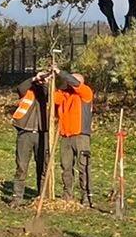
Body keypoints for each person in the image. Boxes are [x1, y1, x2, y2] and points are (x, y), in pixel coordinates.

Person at [9, 69, 54, 206]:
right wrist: (34, 79)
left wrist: (47, 83)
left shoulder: (51, 92)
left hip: (43, 133)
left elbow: (49, 96)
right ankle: (17, 197)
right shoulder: (28, 89)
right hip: (25, 132)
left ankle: (42, 197)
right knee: (21, 166)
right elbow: (20, 88)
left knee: (43, 166)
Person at [55, 73, 95, 207]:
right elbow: (53, 97)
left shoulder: (85, 93)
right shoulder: (64, 94)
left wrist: (60, 73)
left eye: (73, 81)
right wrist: (47, 81)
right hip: (65, 136)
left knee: (83, 166)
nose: (70, 83)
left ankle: (86, 195)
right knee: (66, 167)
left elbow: (74, 83)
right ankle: (68, 194)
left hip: (81, 136)